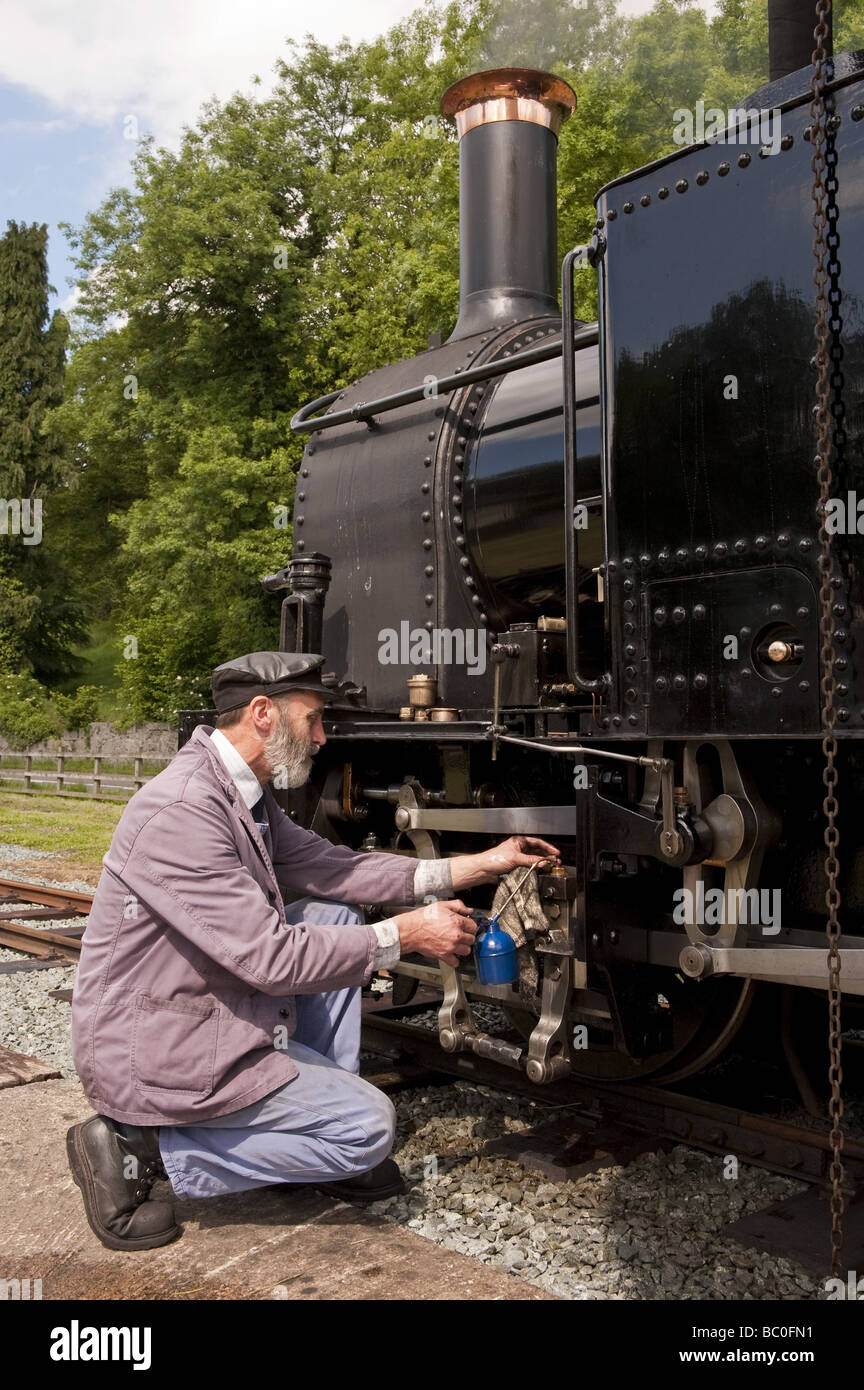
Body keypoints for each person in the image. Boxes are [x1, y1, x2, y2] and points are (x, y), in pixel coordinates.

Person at [67, 650, 559, 1251]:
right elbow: (270, 959)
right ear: (263, 713)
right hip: (162, 1046)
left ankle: (308, 1131)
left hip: (211, 1008)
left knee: (331, 911)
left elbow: (338, 868)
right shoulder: (183, 811)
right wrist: (406, 935)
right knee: (369, 1128)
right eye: (314, 719)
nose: (324, 737)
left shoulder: (241, 794)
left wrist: (479, 865)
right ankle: (137, 1150)